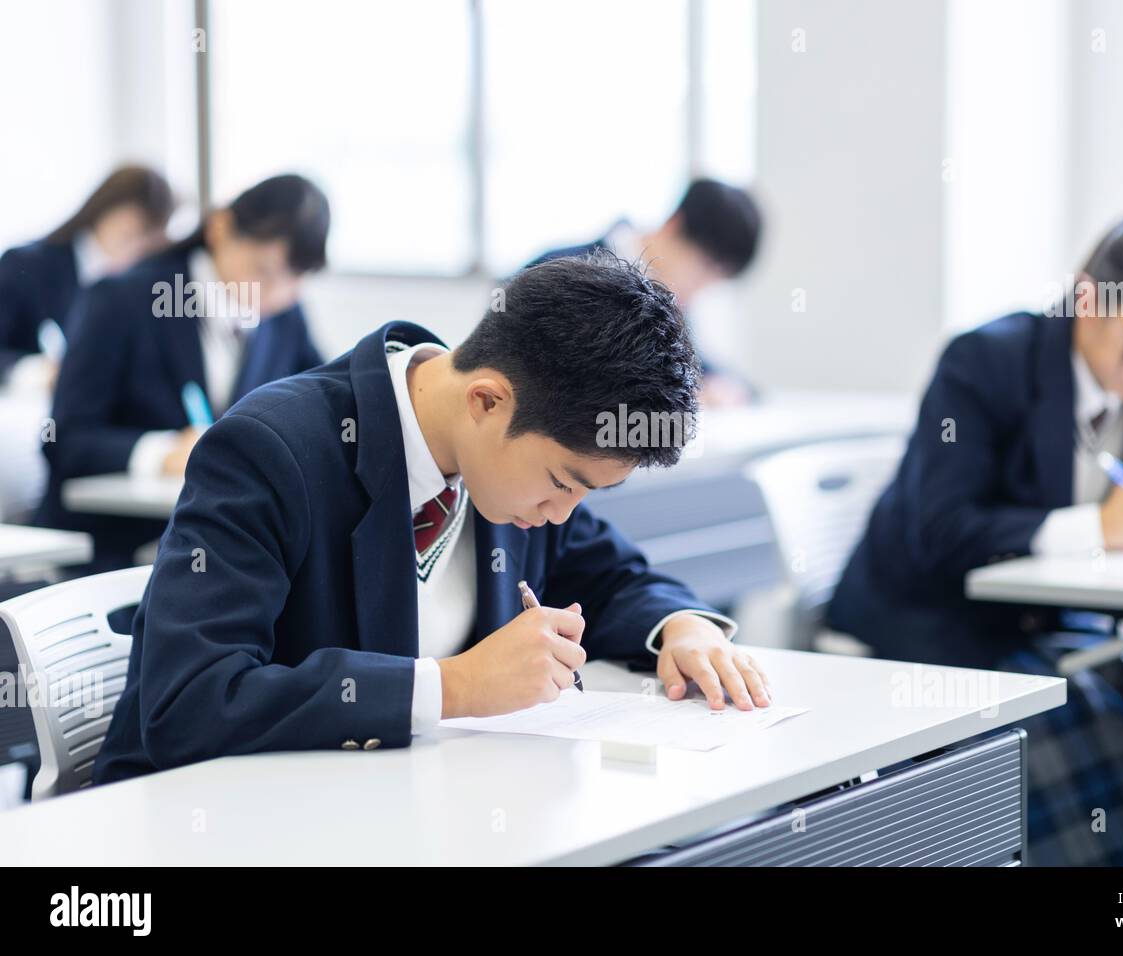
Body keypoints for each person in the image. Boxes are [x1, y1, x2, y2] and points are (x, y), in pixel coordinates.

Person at [93, 252, 771, 784]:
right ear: (485, 400)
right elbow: (190, 704)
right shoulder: (272, 449)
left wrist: (683, 628)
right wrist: (457, 686)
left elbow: (615, 576)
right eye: (564, 483)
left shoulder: (517, 460)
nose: (564, 512)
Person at [827, 212, 1123, 865]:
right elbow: (942, 531)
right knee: (1085, 719)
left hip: (1046, 628)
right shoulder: (986, 363)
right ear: (1087, 298)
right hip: (935, 623)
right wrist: (1101, 529)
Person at [37, 173, 330, 568]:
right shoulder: (121, 299)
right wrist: (163, 452)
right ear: (220, 227)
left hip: (224, 550)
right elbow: (64, 441)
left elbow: (323, 403)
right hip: (111, 553)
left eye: (295, 283)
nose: (276, 294)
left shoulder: (284, 314)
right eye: (264, 271)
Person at [528, 178, 762, 405]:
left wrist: (725, 388)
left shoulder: (671, 302)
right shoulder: (555, 269)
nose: (701, 288)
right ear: (674, 225)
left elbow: (704, 368)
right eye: (705, 268)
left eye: (716, 280)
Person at [0, 165, 174, 386]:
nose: (138, 243)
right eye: (132, 231)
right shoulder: (25, 265)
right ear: (103, 208)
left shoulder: (148, 285)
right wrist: (37, 372)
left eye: (150, 236)